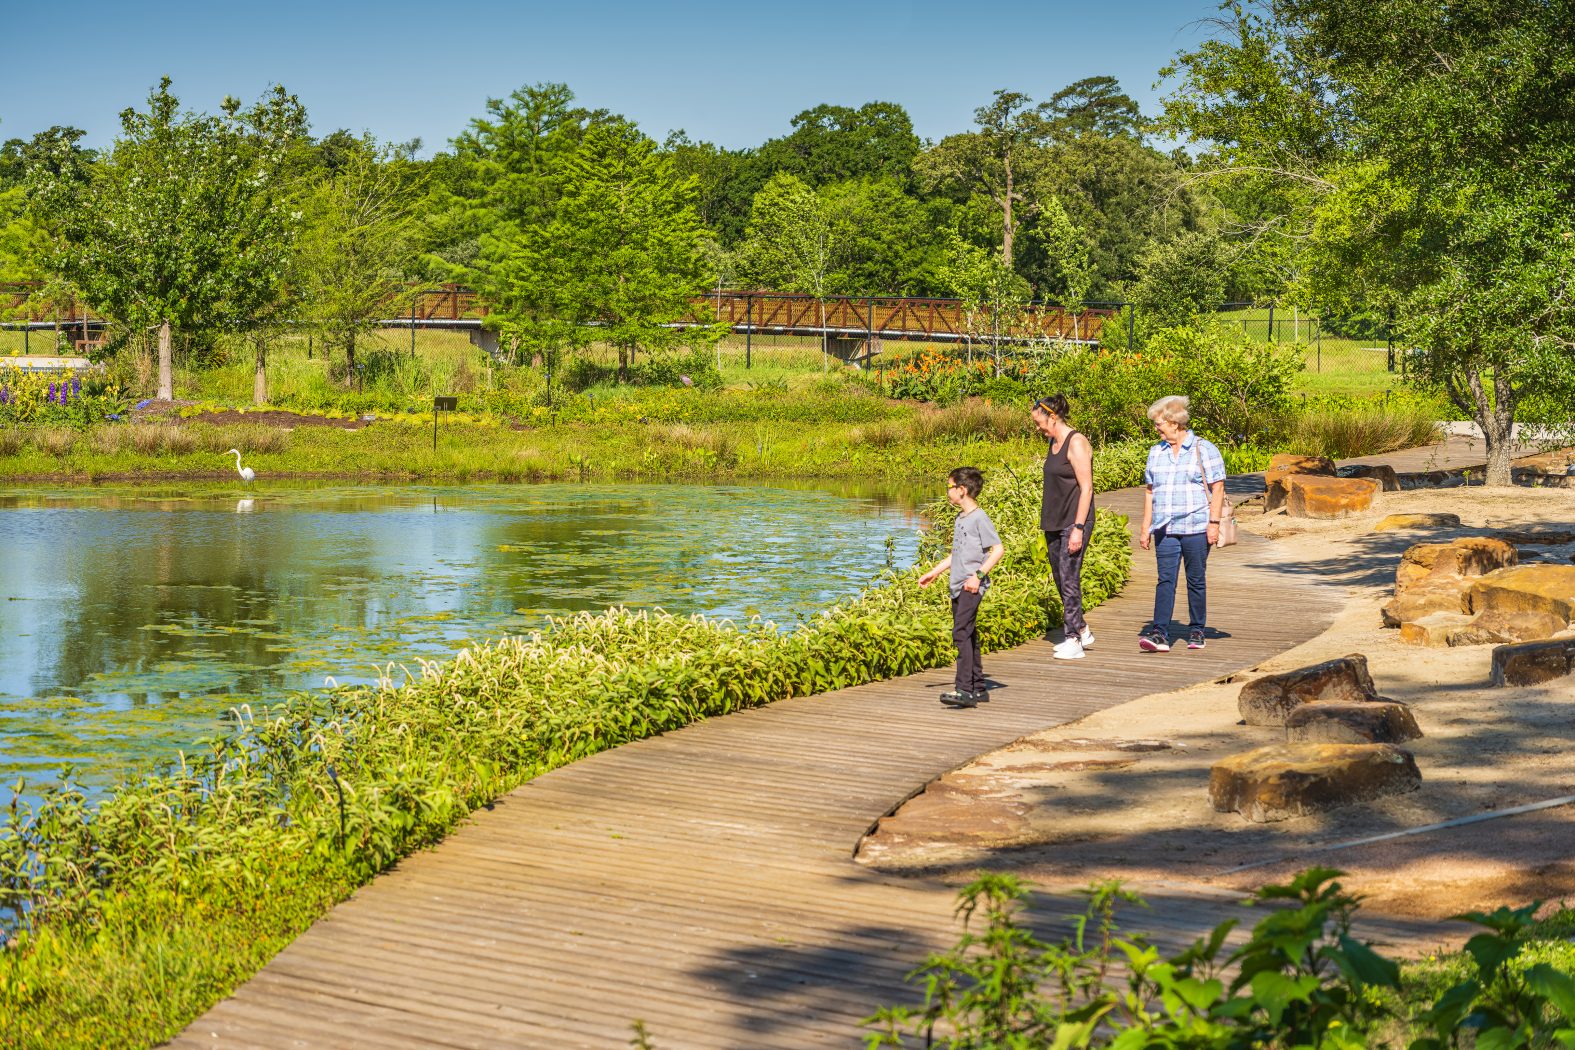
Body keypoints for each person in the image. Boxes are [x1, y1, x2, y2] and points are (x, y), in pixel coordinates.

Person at [1138, 395, 1226, 653]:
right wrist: (1146, 527)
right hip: (1165, 527)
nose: (1156, 428)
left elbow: (1218, 488)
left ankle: (1197, 629)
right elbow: (1149, 491)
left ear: (1174, 423)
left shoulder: (1204, 448)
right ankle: (1159, 633)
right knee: (1165, 580)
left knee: (1195, 579)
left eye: (1158, 423)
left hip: (1196, 526)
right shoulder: (1156, 452)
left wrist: (1214, 523)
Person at [918, 466, 1005, 708]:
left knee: (961, 633)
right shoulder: (961, 518)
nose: (947, 492)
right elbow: (956, 554)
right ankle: (978, 687)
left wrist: (977, 576)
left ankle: (964, 690)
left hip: (970, 586)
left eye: (949, 487)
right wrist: (933, 573)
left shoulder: (979, 517)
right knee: (969, 633)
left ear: (962, 490)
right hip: (957, 584)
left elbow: (997, 550)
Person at [1031, 394, 1096, 660]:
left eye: (1039, 422)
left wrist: (1079, 527)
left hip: (1074, 520)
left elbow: (1087, 488)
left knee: (1069, 579)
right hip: (1053, 520)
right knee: (1060, 577)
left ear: (1053, 417)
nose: (1038, 428)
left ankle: (1073, 640)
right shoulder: (1053, 441)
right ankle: (1081, 627)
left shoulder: (1076, 443)